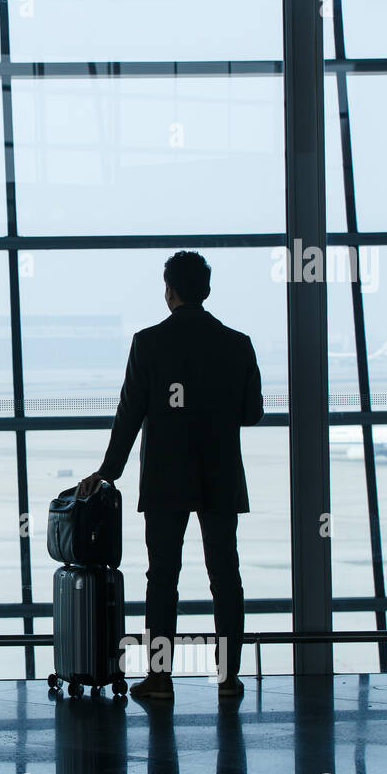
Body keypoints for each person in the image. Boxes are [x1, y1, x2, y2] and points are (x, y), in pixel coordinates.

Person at [76, 251, 263, 700]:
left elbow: (130, 414)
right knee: (226, 577)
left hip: (164, 478)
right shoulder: (237, 343)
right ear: (207, 290)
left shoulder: (148, 343)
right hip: (219, 475)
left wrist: (108, 472)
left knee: (162, 578)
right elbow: (252, 413)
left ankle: (160, 679)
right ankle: (228, 678)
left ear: (170, 291)